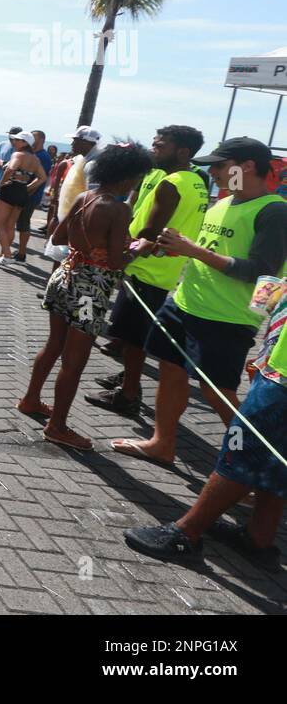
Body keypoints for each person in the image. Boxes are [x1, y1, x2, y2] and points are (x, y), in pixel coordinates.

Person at [110, 138, 287, 466]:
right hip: (185, 303)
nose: (213, 172)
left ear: (246, 166)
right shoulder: (224, 203)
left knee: (217, 392)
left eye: (220, 166)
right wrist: (180, 249)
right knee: (171, 370)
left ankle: (248, 468)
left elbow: (261, 271)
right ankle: (162, 443)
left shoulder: (274, 210)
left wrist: (194, 250)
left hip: (227, 317)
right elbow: (212, 252)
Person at [124, 286, 287, 567]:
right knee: (276, 458)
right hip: (278, 365)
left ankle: (185, 534)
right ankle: (258, 538)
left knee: (242, 448)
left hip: (282, 378)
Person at [18, 143, 155, 450]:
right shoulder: (119, 209)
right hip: (90, 288)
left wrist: (92, 245)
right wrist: (140, 249)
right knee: (74, 361)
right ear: (125, 177)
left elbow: (58, 237)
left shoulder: (84, 197)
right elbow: (119, 260)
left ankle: (30, 399)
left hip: (65, 274)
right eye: (136, 179)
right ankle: (57, 426)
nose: (136, 185)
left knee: (54, 345)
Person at [87, 126, 208, 416]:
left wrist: (123, 245)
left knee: (132, 336)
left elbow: (150, 230)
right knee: (135, 333)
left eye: (160, 146)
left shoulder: (171, 183)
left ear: (182, 152)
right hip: (166, 267)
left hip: (145, 267)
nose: (153, 150)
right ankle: (129, 379)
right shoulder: (197, 182)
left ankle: (128, 395)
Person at [0, 131, 47, 267]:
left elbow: (11, 169)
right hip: (22, 193)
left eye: (18, 140)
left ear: (25, 143)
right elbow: (42, 178)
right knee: (10, 225)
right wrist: (28, 188)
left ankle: (7, 255)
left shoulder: (18, 154)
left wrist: (2, 183)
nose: (14, 142)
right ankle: (4, 254)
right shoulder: (35, 159)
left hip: (10, 190)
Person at [13, 129, 53, 261]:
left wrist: (26, 190)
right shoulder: (33, 154)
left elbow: (40, 177)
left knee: (23, 223)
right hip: (23, 194)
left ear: (41, 140)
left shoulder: (44, 156)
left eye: (33, 137)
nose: (30, 139)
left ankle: (22, 253)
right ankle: (20, 251)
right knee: (19, 223)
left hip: (31, 195)